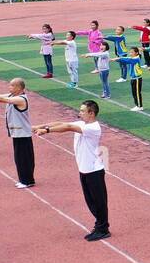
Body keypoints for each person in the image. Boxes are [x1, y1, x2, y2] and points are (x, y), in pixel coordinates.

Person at [34, 100, 109, 241]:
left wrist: (46, 131)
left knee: (99, 202)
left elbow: (68, 127)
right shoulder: (83, 124)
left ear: (91, 113)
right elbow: (60, 123)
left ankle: (103, 228)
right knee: (91, 201)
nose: (79, 113)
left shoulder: (93, 128)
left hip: (94, 170)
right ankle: (99, 225)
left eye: (82, 111)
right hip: (84, 169)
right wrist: (40, 126)